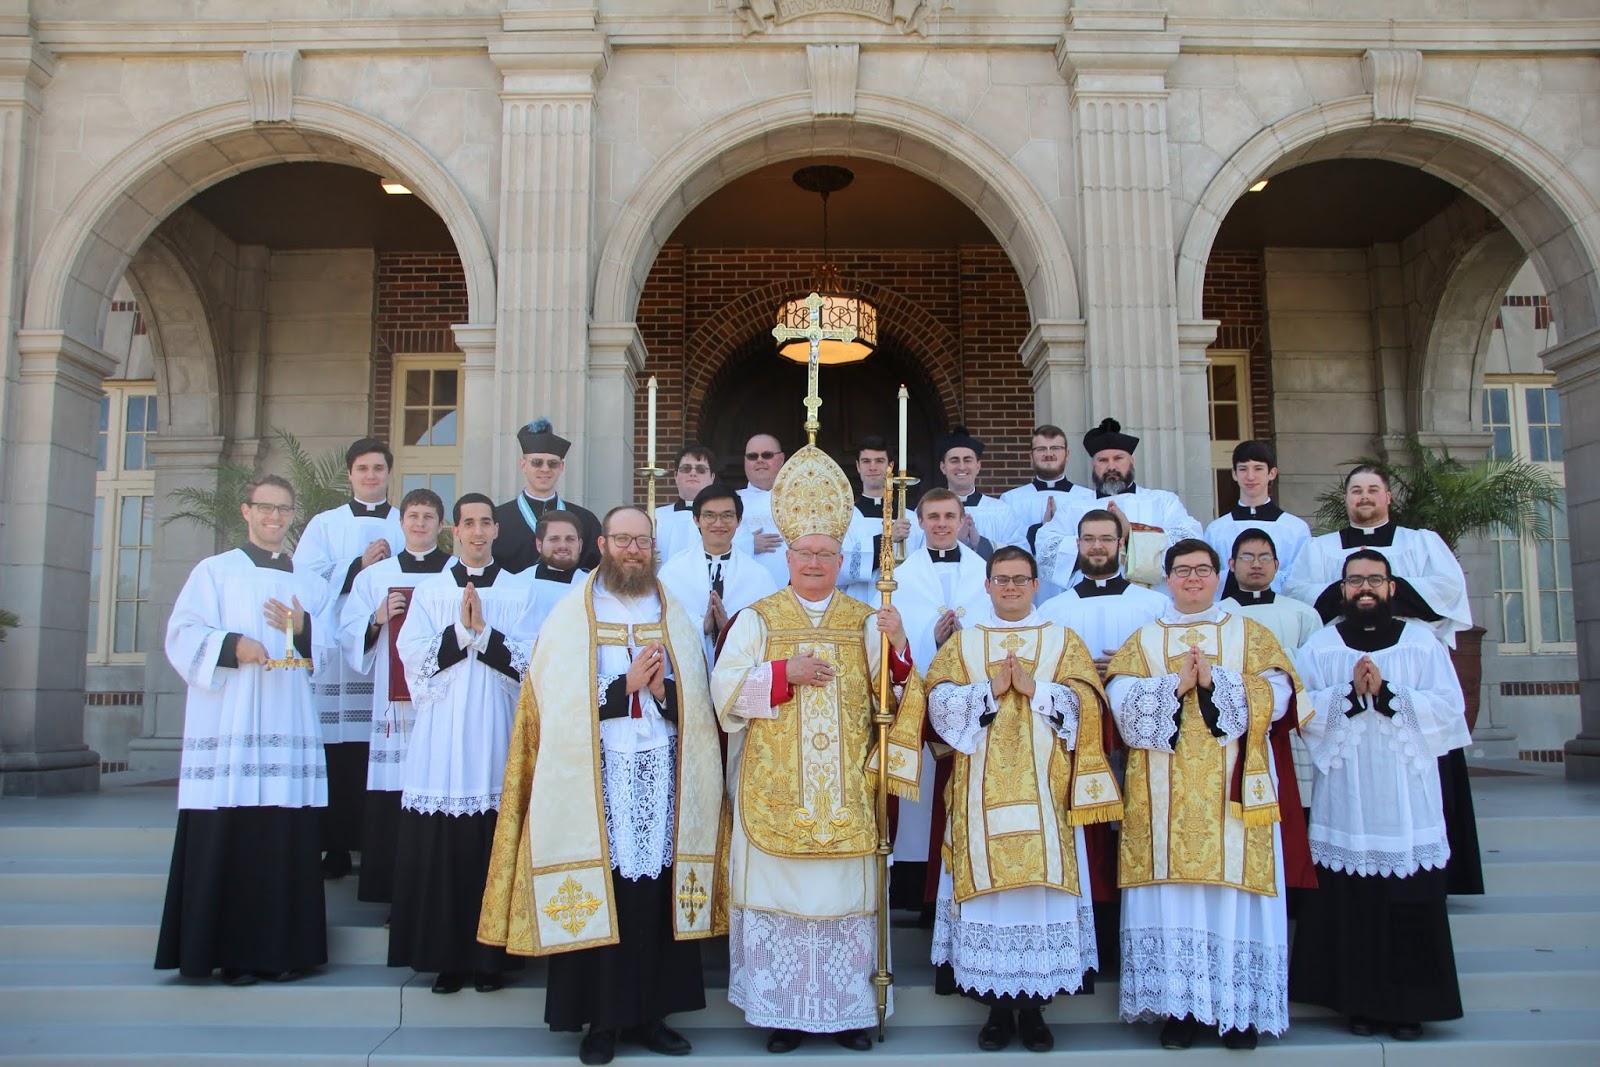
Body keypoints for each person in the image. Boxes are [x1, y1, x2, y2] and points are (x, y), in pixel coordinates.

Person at [479, 506, 727, 1066]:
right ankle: (600, 1022)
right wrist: (623, 686)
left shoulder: (675, 614)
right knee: (609, 892)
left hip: (659, 774)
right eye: (623, 540)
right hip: (598, 777)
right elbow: (552, 702)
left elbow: (698, 699)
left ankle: (654, 1015)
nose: (633, 550)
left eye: (642, 540)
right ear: (602, 544)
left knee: (653, 894)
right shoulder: (574, 614)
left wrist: (663, 692)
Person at [711, 442, 926, 1053]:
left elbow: (898, 695)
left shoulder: (867, 616)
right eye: (804, 552)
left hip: (847, 791)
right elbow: (723, 696)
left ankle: (852, 1011)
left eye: (825, 553)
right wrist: (784, 676)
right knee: (780, 899)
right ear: (789, 556)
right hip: (776, 791)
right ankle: (782, 1014)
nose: (813, 562)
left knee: (847, 902)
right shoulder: (757, 618)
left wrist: (900, 644)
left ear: (840, 558)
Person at [1105, 539, 1307, 1050]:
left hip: (1233, 794)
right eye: (1181, 570)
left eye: (1202, 570)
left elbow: (1280, 696)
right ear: (1166, 578)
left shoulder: (1249, 633)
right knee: (1173, 897)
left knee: (1231, 894)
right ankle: (1181, 1009)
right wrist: (1173, 687)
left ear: (1219, 575)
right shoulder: (1145, 640)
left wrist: (1217, 681)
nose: (1192, 579)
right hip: (1162, 793)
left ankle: (1238, 1011)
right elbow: (1120, 704)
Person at [924, 546, 1121, 1053]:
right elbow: (938, 709)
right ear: (986, 586)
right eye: (1001, 579)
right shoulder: (965, 644)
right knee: (990, 897)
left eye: (1020, 579)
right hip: (978, 796)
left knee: (1040, 896)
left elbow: (1091, 710)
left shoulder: (1062, 641)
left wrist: (1037, 690)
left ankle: (1034, 1010)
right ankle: (993, 1008)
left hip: (1047, 795)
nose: (1010, 587)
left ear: (1036, 585)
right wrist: (988, 692)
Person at [1289, 549, 1469, 1041]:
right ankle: (1357, 1002)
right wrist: (1347, 695)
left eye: (1374, 580)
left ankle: (1408, 1003)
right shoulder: (1323, 647)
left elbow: (1451, 712)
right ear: (1342, 590)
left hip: (1405, 800)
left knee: (1406, 898)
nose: (1364, 588)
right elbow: (1300, 711)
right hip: (1346, 798)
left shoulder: (1422, 643)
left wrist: (1389, 696)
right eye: (1354, 581)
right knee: (1353, 904)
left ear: (1391, 588)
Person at [156, 474, 329, 983]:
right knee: (230, 832)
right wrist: (234, 646)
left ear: (293, 517)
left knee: (282, 833)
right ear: (246, 511)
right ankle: (229, 954)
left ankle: (283, 954)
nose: (275, 518)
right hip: (231, 722)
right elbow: (182, 633)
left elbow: (337, 653)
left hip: (286, 718)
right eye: (266, 508)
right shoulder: (215, 572)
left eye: (284, 510)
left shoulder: (308, 582)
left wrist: (305, 631)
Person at [1284, 463, 1481, 894]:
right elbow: (1298, 594)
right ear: (1347, 499)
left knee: (1419, 770)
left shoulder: (1421, 542)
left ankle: (1426, 867)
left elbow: (1449, 589)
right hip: (1342, 656)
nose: (1365, 497)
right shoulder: (1320, 549)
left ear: (1388, 497)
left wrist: (1379, 594)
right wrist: (1358, 595)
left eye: (1373, 489)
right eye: (1356, 490)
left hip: (1407, 656)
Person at [391, 494, 534, 995]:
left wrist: (485, 633)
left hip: (496, 732)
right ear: (455, 530)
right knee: (444, 848)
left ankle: (491, 959)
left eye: (486, 523)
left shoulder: (521, 592)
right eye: (468, 523)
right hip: (443, 739)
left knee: (492, 844)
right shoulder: (430, 591)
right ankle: (446, 958)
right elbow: (410, 658)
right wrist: (460, 631)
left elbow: (533, 663)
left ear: (497, 530)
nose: (477, 532)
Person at [292, 437, 404, 879]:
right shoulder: (325, 523)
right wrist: (358, 566)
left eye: (378, 468)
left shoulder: (406, 522)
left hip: (385, 655)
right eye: (363, 469)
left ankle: (373, 846)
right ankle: (335, 847)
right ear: (350, 473)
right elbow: (305, 585)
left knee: (377, 748)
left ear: (389, 472)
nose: (371, 475)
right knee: (335, 751)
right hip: (337, 653)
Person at [337, 487, 454, 906]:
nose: (420, 523)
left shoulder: (458, 574)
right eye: (413, 516)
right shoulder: (375, 577)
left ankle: (435, 895)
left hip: (444, 707)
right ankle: (394, 898)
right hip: (394, 711)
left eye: (428, 516)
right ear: (401, 523)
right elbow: (348, 635)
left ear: (441, 526)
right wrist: (375, 619)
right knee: (395, 795)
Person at [878, 488, 991, 907]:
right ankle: (917, 887)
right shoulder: (900, 577)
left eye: (949, 516)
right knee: (920, 795)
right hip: (918, 699)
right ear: (921, 523)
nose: (941, 523)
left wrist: (961, 644)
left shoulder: (985, 573)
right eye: (933, 516)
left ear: (962, 521)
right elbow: (886, 632)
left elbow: (995, 627)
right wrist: (930, 637)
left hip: (972, 701)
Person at [1217, 529, 1325, 808]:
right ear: (1231, 564)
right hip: (1236, 722)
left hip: (1290, 723)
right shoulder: (1218, 615)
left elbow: (1316, 669)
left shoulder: (1302, 613)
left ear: (1277, 566)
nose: (1256, 564)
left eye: (1265, 557)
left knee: (1292, 801)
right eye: (1248, 557)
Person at [1035, 419, 1201, 591]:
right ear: (1093, 464)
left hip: (1152, 598)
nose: (1111, 466)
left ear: (1131, 461)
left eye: (1118, 458)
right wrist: (1097, 542)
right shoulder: (1073, 507)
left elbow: (1189, 539)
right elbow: (1046, 546)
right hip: (1090, 597)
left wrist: (1131, 534)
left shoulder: (1162, 501)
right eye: (1103, 460)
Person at [658, 483, 778, 664]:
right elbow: (662, 626)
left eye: (727, 516)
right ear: (696, 519)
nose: (718, 523)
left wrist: (730, 627)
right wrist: (702, 627)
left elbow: (770, 632)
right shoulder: (673, 572)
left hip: (738, 678)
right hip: (689, 674)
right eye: (709, 516)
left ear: (739, 520)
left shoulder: (758, 576)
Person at [1038, 510, 1167, 669]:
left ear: (1120, 543)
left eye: (1106, 539)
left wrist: (1134, 664)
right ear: (1078, 544)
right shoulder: (1051, 611)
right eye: (1089, 539)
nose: (1097, 546)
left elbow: (1170, 661)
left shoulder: (1156, 606)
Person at [493, 417, 603, 574]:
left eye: (552, 463)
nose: (545, 469)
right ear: (523, 465)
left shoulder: (586, 520)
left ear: (561, 467)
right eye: (537, 462)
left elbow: (595, 573)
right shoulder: (497, 519)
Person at [1204, 441, 1311, 595]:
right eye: (1243, 469)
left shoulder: (1295, 528)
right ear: (1234, 474)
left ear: (1272, 473)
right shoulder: (1216, 529)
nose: (1250, 476)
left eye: (1258, 468)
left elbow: (1300, 578)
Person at [836, 435, 912, 603]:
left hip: (902, 604)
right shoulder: (844, 518)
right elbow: (839, 568)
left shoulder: (909, 518)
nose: (872, 467)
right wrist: (888, 539)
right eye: (866, 461)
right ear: (858, 466)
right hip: (857, 604)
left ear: (890, 466)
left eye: (879, 461)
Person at [931, 426, 1023, 557]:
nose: (962, 467)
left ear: (978, 466)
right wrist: (952, 543)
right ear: (943, 467)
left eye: (967, 460)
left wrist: (980, 543)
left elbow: (1020, 554)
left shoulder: (1001, 511)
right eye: (954, 460)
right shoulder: (928, 510)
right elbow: (917, 555)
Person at [737, 432, 790, 588]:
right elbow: (711, 546)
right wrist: (748, 544)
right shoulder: (731, 502)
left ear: (781, 459)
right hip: (746, 593)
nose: (759, 460)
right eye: (752, 456)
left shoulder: (799, 499)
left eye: (767, 455)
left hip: (792, 595)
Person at [525, 512, 591, 635]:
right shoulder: (519, 584)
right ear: (539, 545)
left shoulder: (593, 587)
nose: (563, 546)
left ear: (580, 545)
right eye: (554, 539)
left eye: (570, 539)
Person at [654, 444, 718, 562]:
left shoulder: (723, 520)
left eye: (701, 470)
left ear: (712, 477)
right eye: (686, 469)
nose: (693, 473)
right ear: (675, 476)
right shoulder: (655, 518)